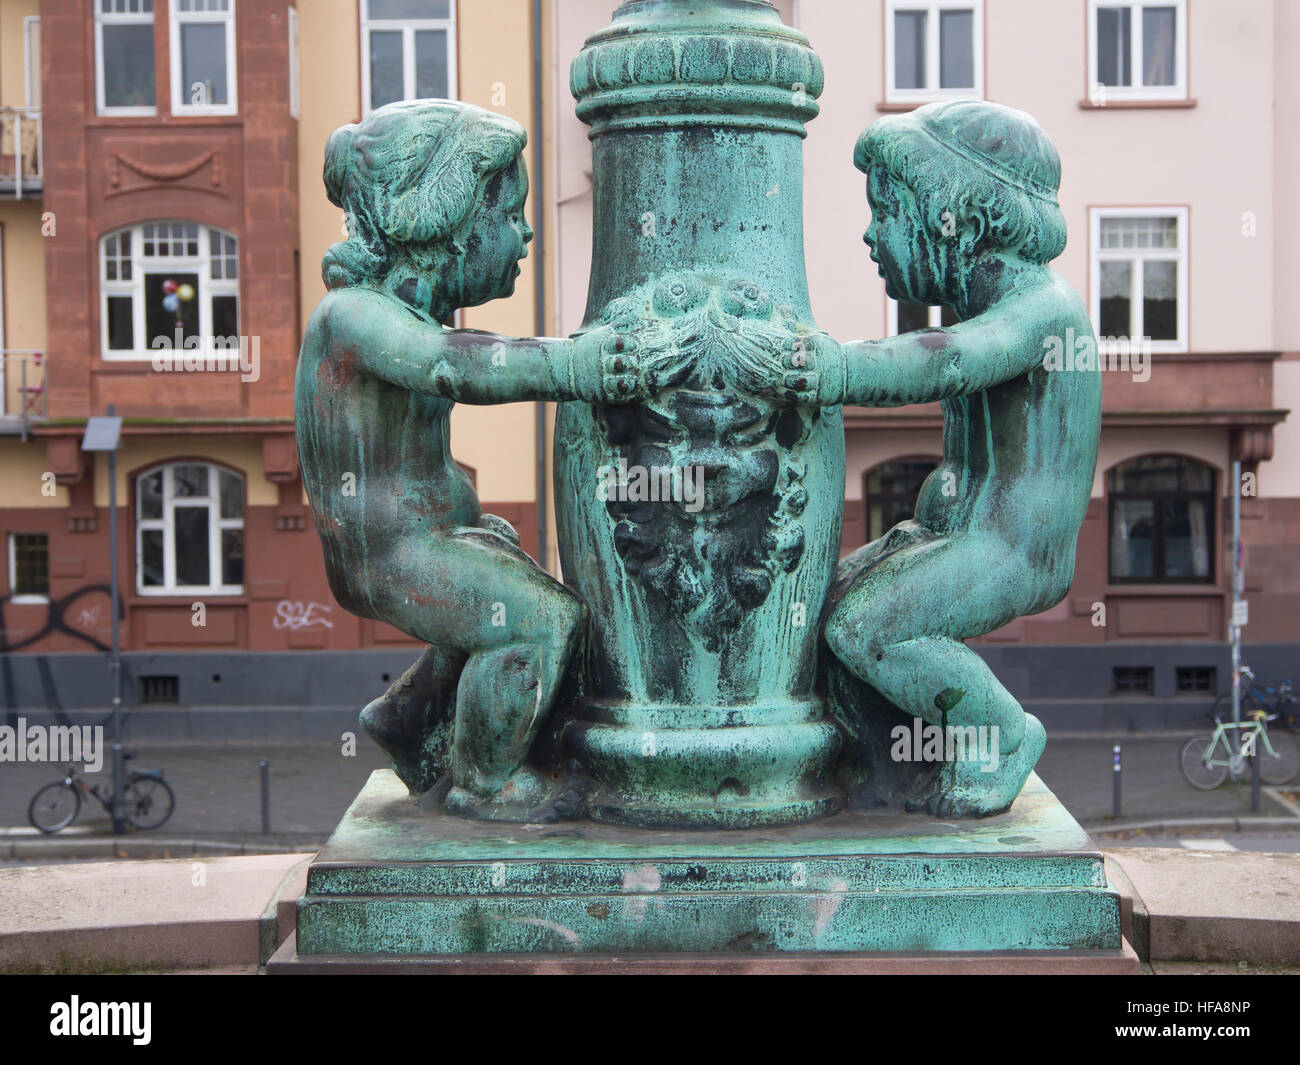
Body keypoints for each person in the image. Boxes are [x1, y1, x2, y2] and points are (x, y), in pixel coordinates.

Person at [296, 100, 622, 821]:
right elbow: (457, 370)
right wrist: (580, 363)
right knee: (537, 619)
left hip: (424, 540)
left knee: (498, 568)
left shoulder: (403, 315)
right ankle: (485, 779)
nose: (525, 233)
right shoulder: (355, 317)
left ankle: (407, 719)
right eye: (509, 214)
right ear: (446, 219)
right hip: (388, 557)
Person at [807, 100, 1102, 816]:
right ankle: (883, 755)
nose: (872, 235)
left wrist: (833, 370)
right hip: (962, 533)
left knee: (865, 627)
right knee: (825, 608)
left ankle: (999, 733)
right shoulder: (984, 304)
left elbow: (952, 363)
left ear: (956, 218)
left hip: (1012, 550)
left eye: (886, 212)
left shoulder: (1042, 310)